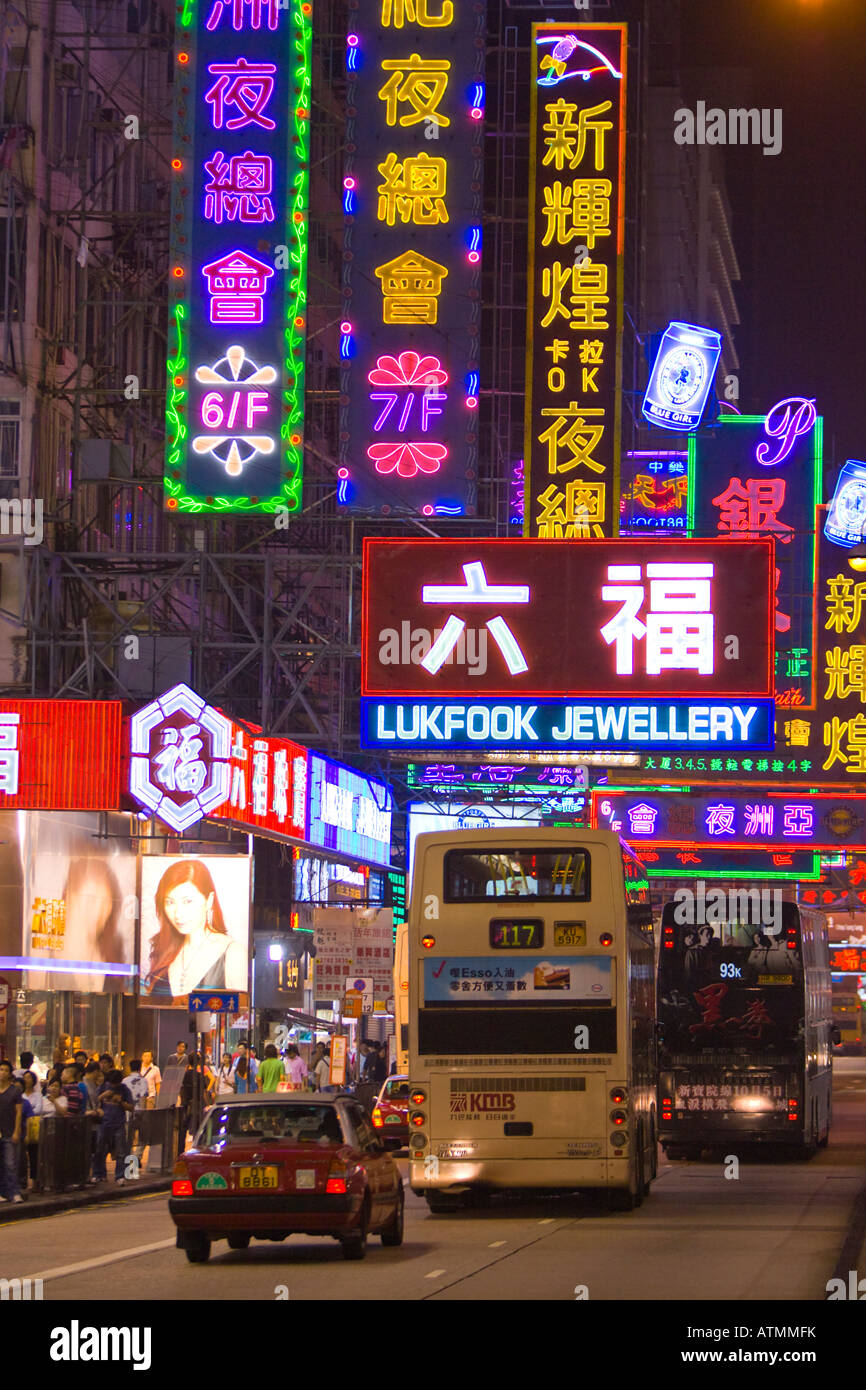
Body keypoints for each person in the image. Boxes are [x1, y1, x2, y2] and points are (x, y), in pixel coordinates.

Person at [142, 859, 245, 998]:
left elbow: (239, 1014)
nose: (178, 913)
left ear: (209, 900)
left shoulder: (232, 952)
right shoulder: (165, 949)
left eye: (187, 901)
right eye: (170, 902)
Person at [91, 1077, 132, 1184]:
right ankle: (98, 1174)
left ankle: (119, 1176)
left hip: (119, 1124)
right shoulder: (103, 1087)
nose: (114, 1087)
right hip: (103, 1123)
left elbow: (131, 1107)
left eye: (116, 1085)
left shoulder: (124, 1089)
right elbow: (94, 1100)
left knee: (120, 1151)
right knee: (99, 1150)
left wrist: (121, 1102)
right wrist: (103, 1095)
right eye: (112, 1084)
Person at [0, 1059, 23, 1203]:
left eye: (5, 1070)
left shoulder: (15, 1091)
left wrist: (16, 1131)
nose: (2, 1073)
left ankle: (14, 1192)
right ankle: (2, 1192)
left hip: (9, 1132)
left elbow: (19, 1113)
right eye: (0, 1069)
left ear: (10, 1074)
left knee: (10, 1163)